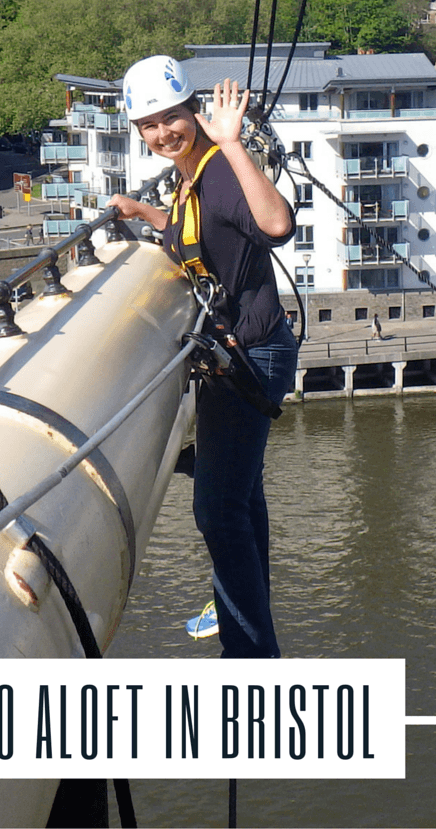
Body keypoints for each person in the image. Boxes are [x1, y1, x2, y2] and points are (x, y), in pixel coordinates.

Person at [109, 55, 297, 659]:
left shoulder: (217, 169)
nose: (164, 133)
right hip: (235, 356)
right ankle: (250, 613)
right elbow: (196, 232)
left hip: (252, 357)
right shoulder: (191, 176)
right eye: (150, 125)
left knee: (217, 509)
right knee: (240, 497)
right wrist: (145, 214)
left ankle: (251, 654)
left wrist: (233, 144)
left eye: (172, 118)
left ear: (194, 111)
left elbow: (276, 225)